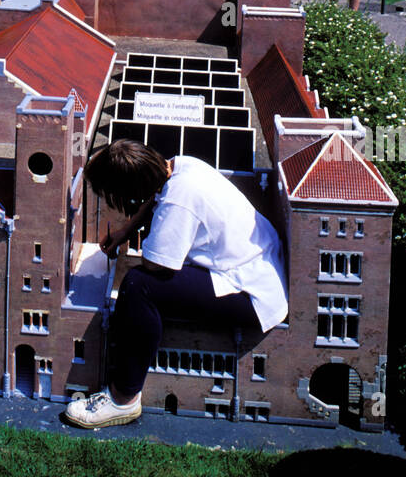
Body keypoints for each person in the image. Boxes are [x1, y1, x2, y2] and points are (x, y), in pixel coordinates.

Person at [65, 140, 288, 429]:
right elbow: (156, 196)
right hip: (260, 263)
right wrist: (126, 230)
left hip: (251, 293)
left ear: (128, 191)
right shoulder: (182, 165)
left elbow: (157, 264)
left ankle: (123, 399)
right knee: (142, 282)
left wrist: (149, 240)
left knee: (138, 286)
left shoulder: (178, 201)